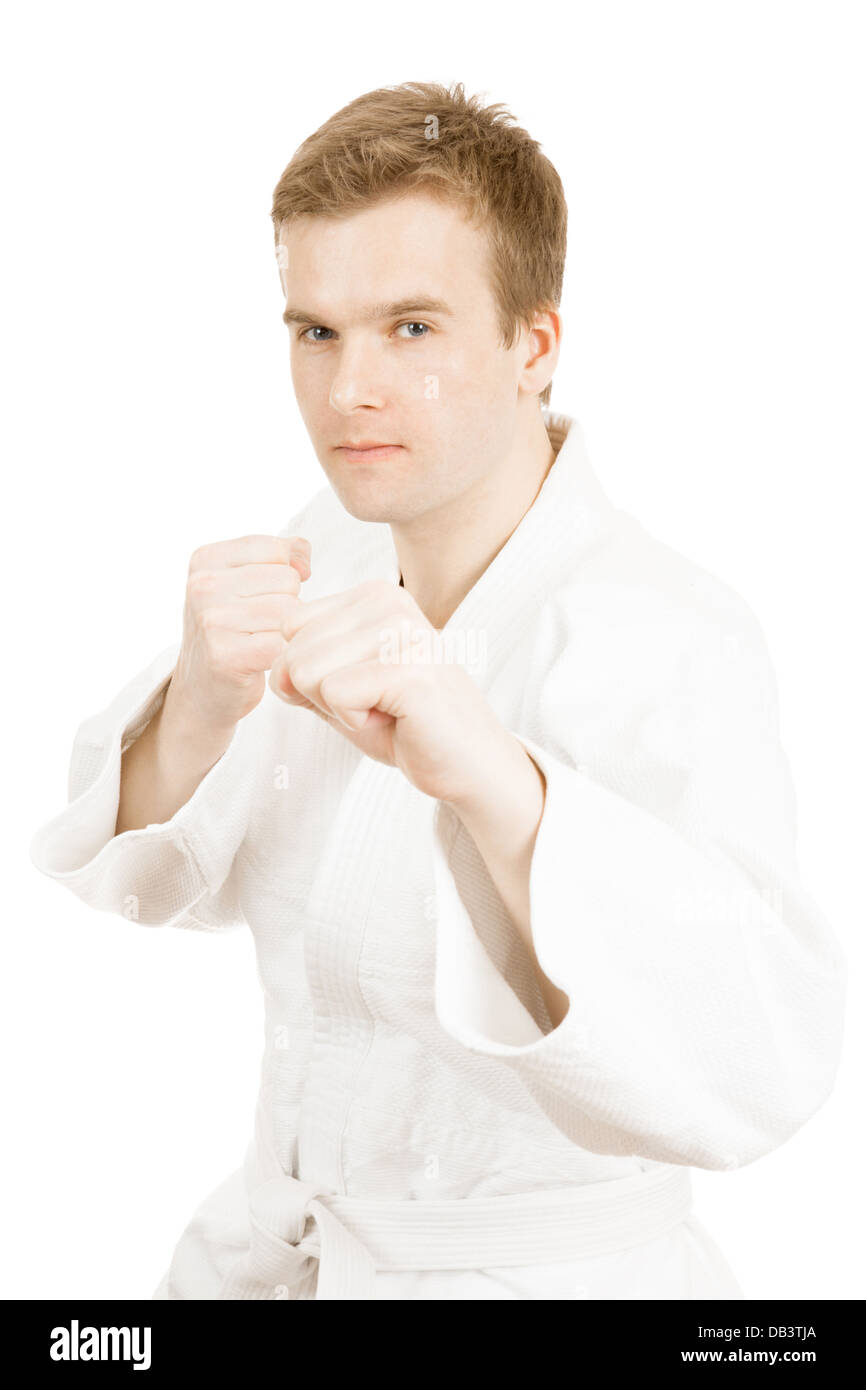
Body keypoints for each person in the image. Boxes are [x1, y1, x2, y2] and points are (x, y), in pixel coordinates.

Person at [29, 81, 846, 1301]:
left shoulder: (667, 633)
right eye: (315, 330)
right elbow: (148, 882)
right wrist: (200, 698)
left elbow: (758, 1069)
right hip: (283, 1262)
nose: (349, 388)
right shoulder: (330, 550)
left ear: (534, 344)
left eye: (410, 327)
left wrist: (499, 786)